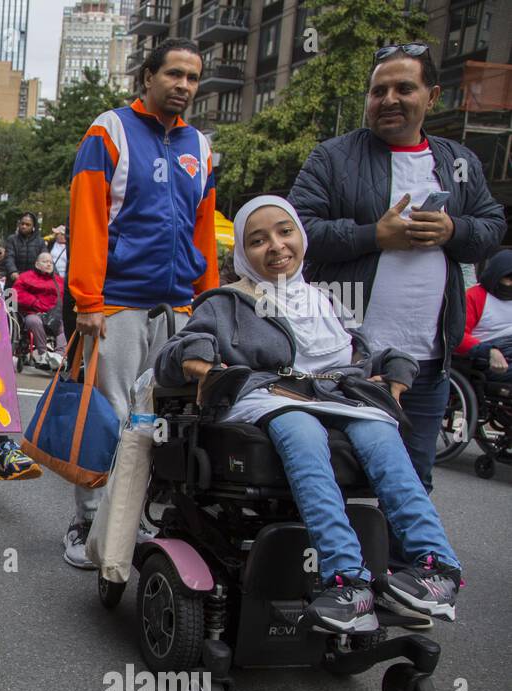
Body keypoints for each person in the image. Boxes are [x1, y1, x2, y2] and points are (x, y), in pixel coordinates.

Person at [155, 196, 462, 630]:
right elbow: (174, 353)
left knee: (382, 435)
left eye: (285, 231)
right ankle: (346, 581)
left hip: (338, 396)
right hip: (273, 397)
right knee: (300, 428)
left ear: (301, 235)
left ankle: (438, 568)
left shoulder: (326, 301)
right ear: (243, 254)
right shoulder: (227, 303)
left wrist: (395, 371)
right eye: (258, 240)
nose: (276, 245)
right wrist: (201, 360)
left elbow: (366, 351)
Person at [289, 42, 506, 490]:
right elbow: (297, 232)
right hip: (342, 357)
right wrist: (374, 235)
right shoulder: (332, 157)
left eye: (404, 88)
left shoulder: (459, 162)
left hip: (428, 362)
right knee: (333, 477)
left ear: (432, 96)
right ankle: (343, 560)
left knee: (412, 480)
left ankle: (410, 563)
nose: (389, 99)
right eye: (378, 90)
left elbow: (491, 226)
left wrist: (453, 230)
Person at [62, 36, 219, 570]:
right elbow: (86, 220)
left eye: (192, 78)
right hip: (117, 304)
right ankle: (87, 522)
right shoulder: (108, 131)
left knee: (159, 421)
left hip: (178, 307)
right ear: (147, 76)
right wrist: (87, 298)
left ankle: (131, 520)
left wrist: (210, 304)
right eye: (173, 74)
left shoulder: (200, 145)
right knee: (108, 416)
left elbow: (203, 233)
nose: (183, 86)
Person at [458, 249, 512, 381]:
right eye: (508, 278)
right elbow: (457, 336)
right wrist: (490, 351)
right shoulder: (474, 296)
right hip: (488, 354)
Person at [13, 251, 64, 370]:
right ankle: (43, 354)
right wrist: (34, 302)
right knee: (34, 322)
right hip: (33, 313)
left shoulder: (59, 281)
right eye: (45, 261)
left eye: (50, 262)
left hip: (53, 315)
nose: (48, 264)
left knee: (64, 325)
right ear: (37, 264)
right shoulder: (25, 277)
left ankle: (59, 356)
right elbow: (18, 293)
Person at [2, 212, 44, 288]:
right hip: (13, 283)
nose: (24, 226)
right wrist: (13, 271)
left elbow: (45, 258)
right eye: (22, 224)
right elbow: (9, 257)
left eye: (28, 225)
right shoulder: (12, 239)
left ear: (33, 227)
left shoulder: (40, 242)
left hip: (33, 284)